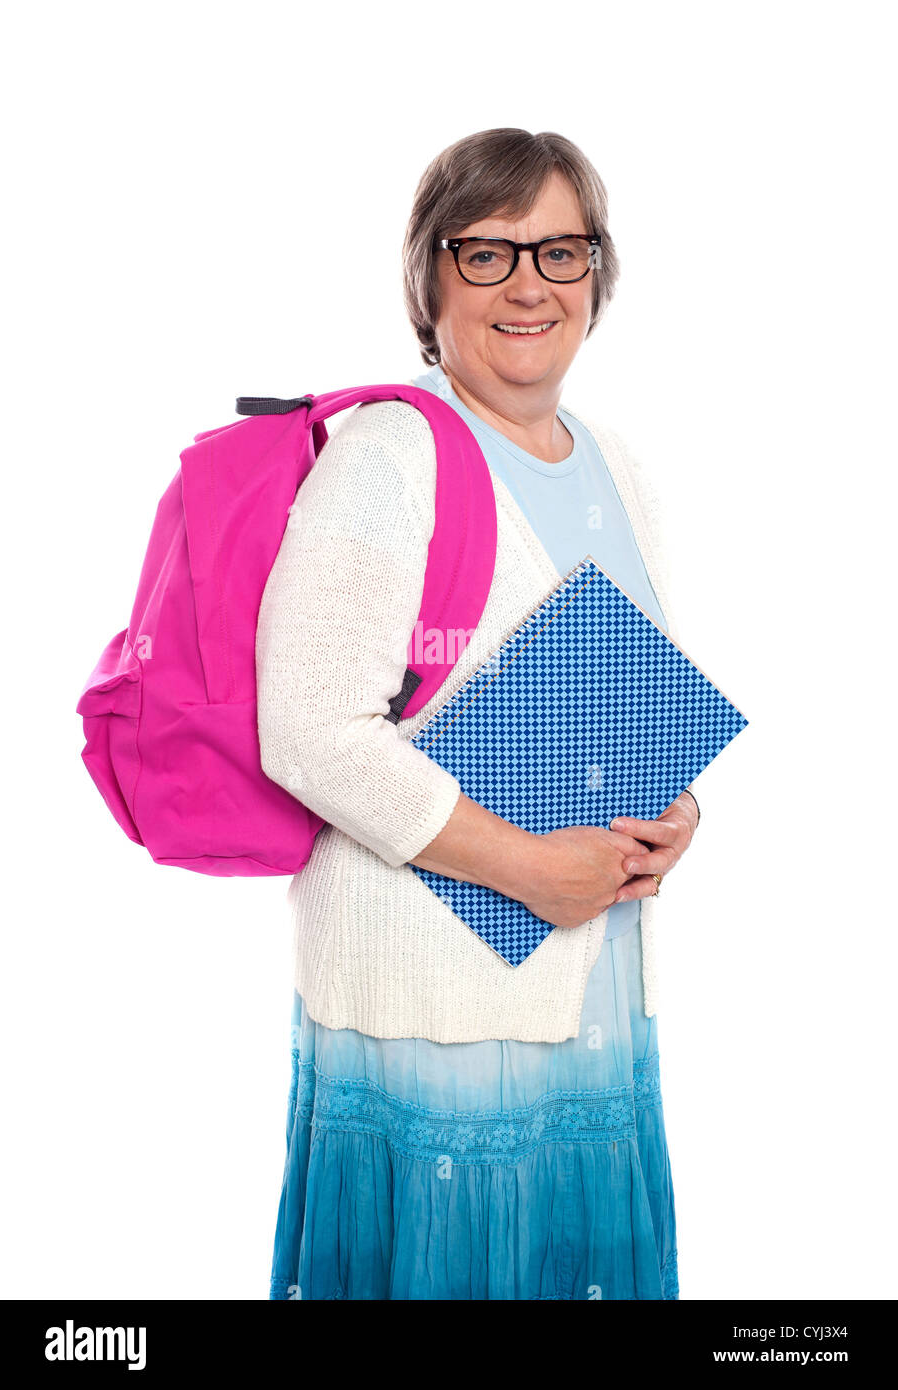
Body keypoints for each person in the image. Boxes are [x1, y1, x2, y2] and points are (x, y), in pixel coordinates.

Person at [256, 127, 700, 1301]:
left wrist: (678, 806)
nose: (529, 284)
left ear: (596, 275)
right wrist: (526, 869)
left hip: (590, 994)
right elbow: (306, 726)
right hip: (434, 1008)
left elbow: (621, 694)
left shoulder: (616, 461)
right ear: (429, 277)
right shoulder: (388, 455)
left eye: (560, 250)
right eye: (487, 252)